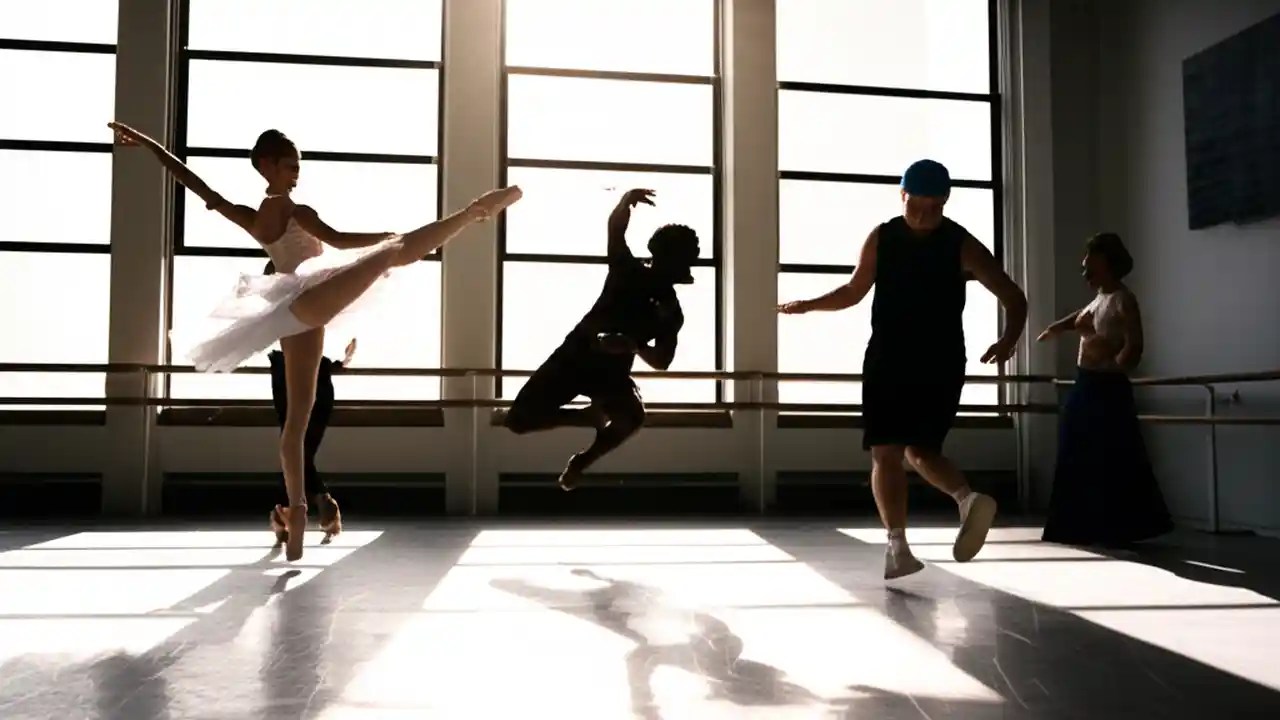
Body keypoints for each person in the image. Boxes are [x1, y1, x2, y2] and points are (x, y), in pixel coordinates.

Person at [109, 121, 522, 561]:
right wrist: (382, 239)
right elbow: (338, 240)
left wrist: (152, 145)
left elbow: (196, 184)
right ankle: (474, 211)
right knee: (396, 251)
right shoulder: (295, 211)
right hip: (307, 298)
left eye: (297, 166)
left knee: (295, 426)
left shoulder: (252, 218)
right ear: (266, 165)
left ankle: (297, 511)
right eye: (290, 165)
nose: (296, 172)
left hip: (290, 316)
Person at [777, 159, 1027, 579]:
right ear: (902, 195)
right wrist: (810, 305)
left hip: (904, 358)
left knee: (887, 452)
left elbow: (1013, 297)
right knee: (919, 450)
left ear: (945, 202)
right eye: (917, 206)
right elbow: (854, 290)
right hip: (928, 358)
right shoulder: (931, 241)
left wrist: (1008, 340)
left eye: (934, 208)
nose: (925, 216)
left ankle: (898, 547)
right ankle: (966, 499)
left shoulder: (941, 242)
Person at [503, 188, 698, 490]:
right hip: (575, 356)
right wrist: (625, 202)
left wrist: (634, 345)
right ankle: (585, 418)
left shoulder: (670, 311)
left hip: (611, 372)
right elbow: (615, 231)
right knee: (519, 420)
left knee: (632, 417)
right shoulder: (627, 270)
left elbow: (662, 361)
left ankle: (581, 462)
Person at [1037, 232, 1173, 546]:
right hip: (1087, 383)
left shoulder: (1123, 299)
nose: (1085, 274)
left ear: (1109, 266)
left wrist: (1108, 357)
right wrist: (1058, 327)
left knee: (1110, 456)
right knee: (1079, 451)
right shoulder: (1100, 296)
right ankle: (1078, 524)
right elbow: (1082, 316)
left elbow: (1134, 347)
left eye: (1091, 268)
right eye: (1085, 268)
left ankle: (1114, 527)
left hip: (1107, 388)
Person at [264, 260, 354, 548]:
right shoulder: (322, 303)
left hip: (290, 375)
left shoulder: (278, 309)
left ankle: (287, 511)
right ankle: (312, 506)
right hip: (317, 376)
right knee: (301, 448)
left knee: (295, 446)